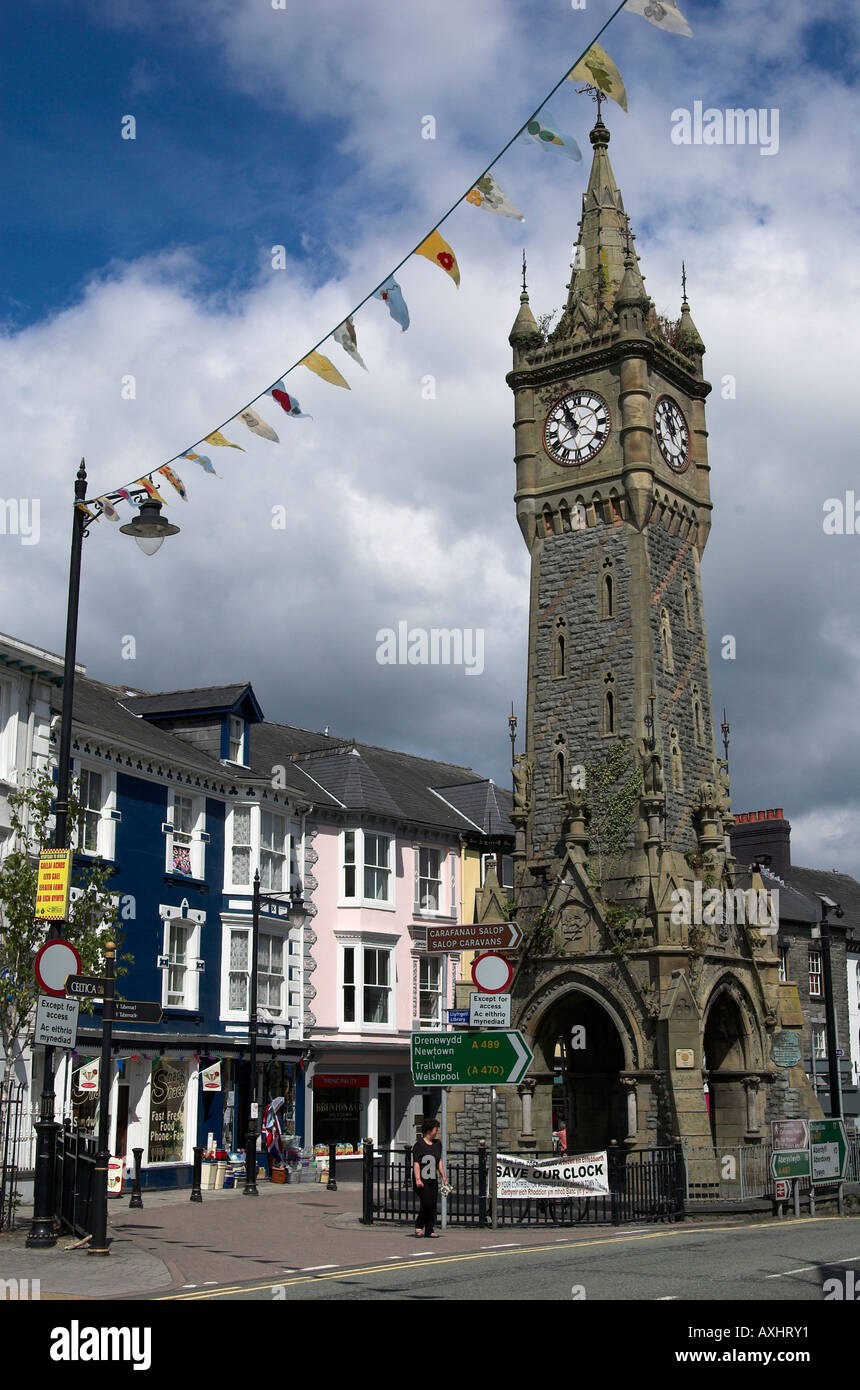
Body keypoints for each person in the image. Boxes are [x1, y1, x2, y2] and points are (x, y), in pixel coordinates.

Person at [412, 1117, 447, 1238]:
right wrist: (417, 1179)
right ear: (429, 1130)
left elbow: (439, 1162)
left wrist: (443, 1176)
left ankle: (429, 1229)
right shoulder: (419, 1145)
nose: (436, 1131)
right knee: (426, 1203)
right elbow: (416, 1163)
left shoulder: (437, 1144)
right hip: (422, 1179)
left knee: (432, 1204)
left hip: (433, 1179)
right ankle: (419, 1226)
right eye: (435, 1129)